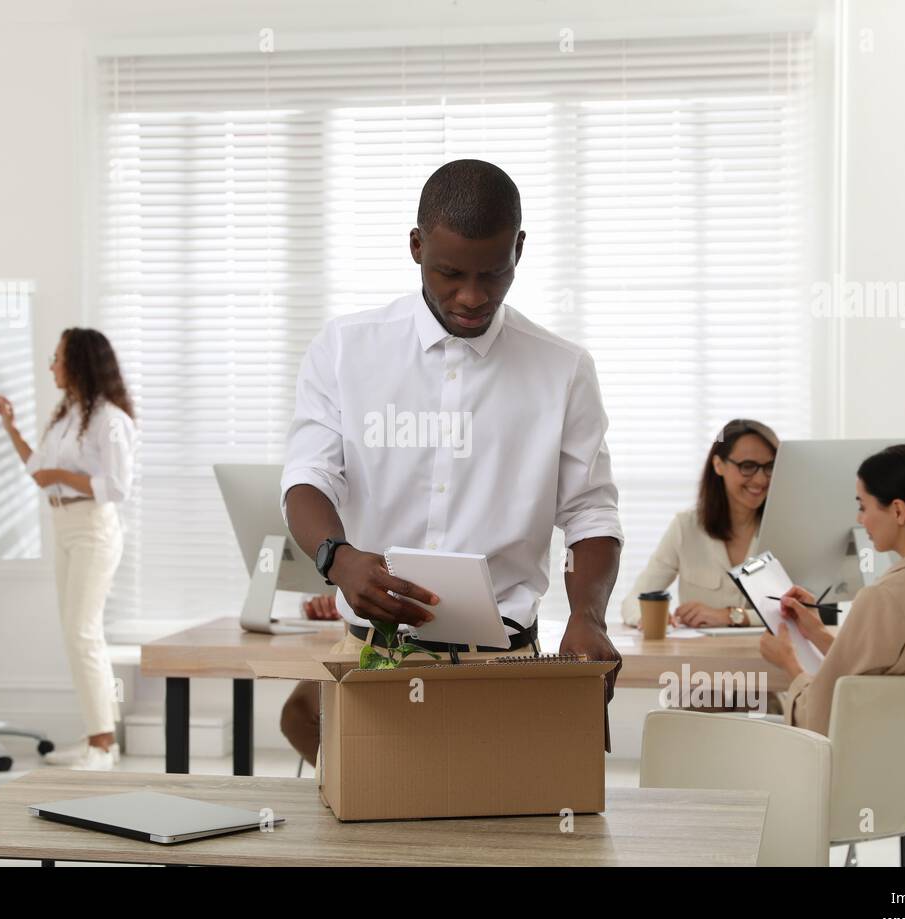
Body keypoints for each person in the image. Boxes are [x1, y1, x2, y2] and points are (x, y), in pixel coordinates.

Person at [278, 159, 624, 768]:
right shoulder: (345, 348)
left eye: (494, 274)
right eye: (450, 273)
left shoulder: (563, 369)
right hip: (374, 655)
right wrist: (339, 558)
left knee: (508, 848)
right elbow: (307, 479)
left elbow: (590, 512)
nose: (472, 297)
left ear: (519, 248)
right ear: (416, 247)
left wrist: (589, 616)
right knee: (371, 846)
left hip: (506, 663)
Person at [760, 444, 905, 736]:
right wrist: (817, 633)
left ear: (898, 510)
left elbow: (819, 717)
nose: (858, 519)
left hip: (856, 770)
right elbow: (882, 669)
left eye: (863, 506)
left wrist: (788, 662)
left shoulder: (884, 597)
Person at [0, 328, 136, 771]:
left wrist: (61, 474)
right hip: (63, 524)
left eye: (56, 358)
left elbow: (117, 487)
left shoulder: (111, 419)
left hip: (93, 527)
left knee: (83, 632)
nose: (50, 365)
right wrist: (10, 428)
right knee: (75, 634)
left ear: (78, 363)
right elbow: (40, 471)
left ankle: (103, 746)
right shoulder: (67, 415)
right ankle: (97, 735)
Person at [620, 419, 778, 628]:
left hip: (768, 658)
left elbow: (804, 609)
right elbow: (634, 602)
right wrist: (649, 617)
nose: (761, 480)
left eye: (769, 467)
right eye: (747, 466)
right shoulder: (686, 527)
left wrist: (732, 616)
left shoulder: (784, 528)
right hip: (702, 657)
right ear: (719, 465)